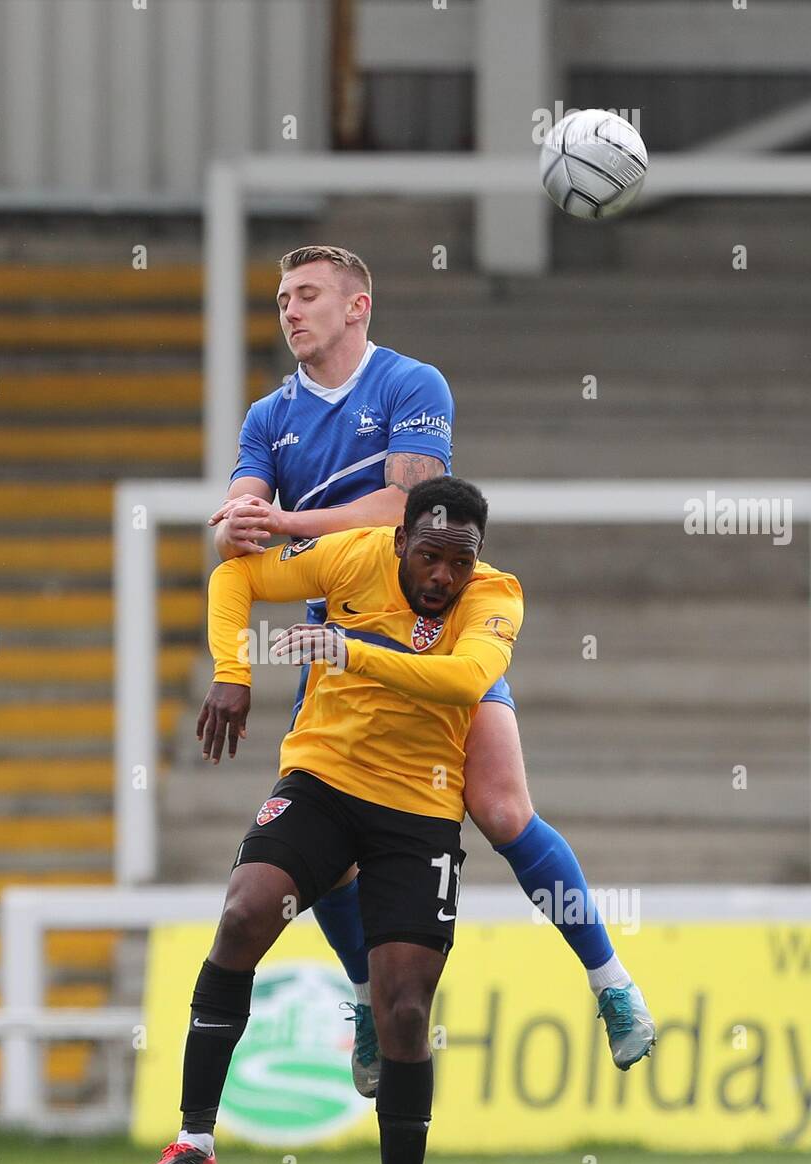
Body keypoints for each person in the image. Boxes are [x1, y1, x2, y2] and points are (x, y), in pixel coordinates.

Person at [208, 244, 654, 1093]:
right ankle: (368, 1000)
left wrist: (288, 522)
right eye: (280, 298)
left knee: (500, 807)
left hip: (437, 626)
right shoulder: (269, 415)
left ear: (357, 307)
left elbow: (404, 508)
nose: (290, 310)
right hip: (334, 641)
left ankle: (612, 984)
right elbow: (243, 524)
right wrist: (238, 527)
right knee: (329, 856)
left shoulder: (413, 386)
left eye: (307, 295)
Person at [136, 478, 520, 1164]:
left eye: (458, 560)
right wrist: (232, 669)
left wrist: (350, 652)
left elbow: (464, 681)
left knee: (405, 1009)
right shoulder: (350, 557)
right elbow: (234, 574)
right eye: (429, 555)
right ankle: (194, 1142)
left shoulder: (496, 598)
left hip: (419, 812)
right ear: (399, 541)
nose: (443, 576)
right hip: (324, 782)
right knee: (243, 915)